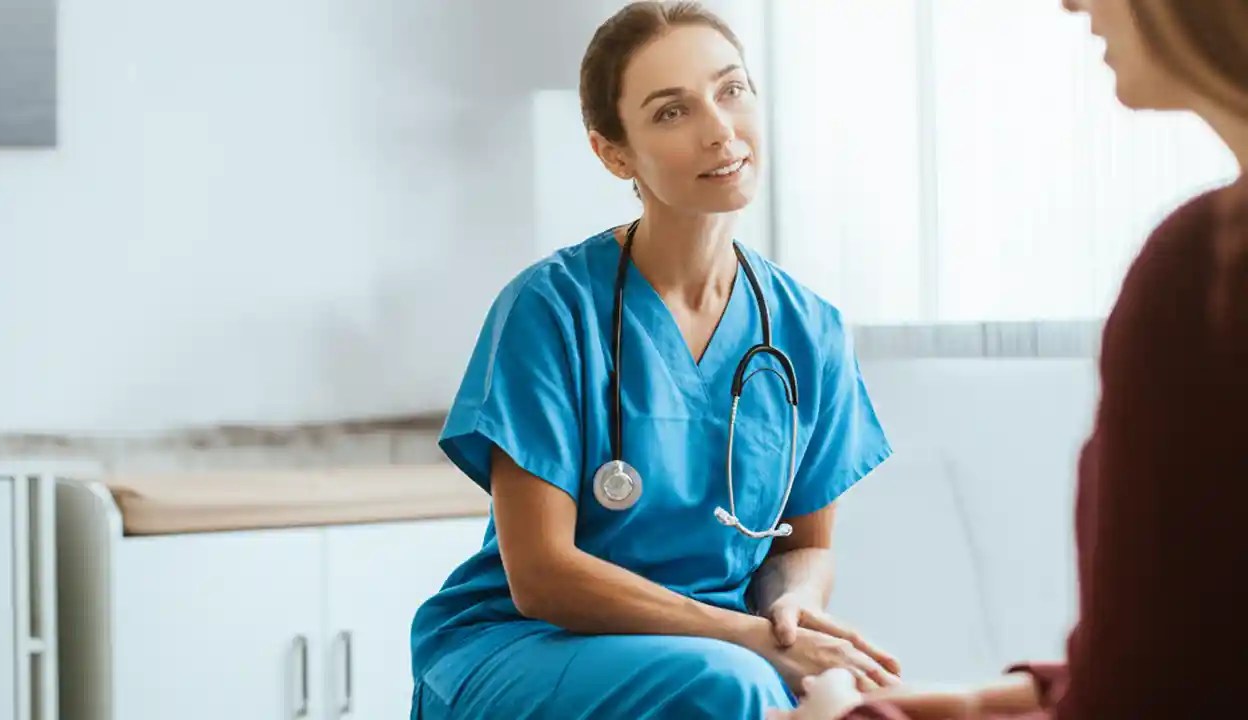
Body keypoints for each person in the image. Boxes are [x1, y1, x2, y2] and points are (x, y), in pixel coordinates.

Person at [408, 1, 902, 717]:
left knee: (852, 695)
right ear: (614, 153)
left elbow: (802, 544)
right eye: (672, 113)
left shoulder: (808, 328)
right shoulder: (552, 309)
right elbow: (542, 576)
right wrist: (751, 640)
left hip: (716, 649)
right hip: (524, 642)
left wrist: (792, 612)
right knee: (735, 685)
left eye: (731, 91)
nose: (720, 130)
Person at [778, 0, 1248, 718]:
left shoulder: (1205, 273)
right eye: (670, 111)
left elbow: (1154, 688)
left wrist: (845, 715)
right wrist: (996, 697)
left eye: (733, 93)